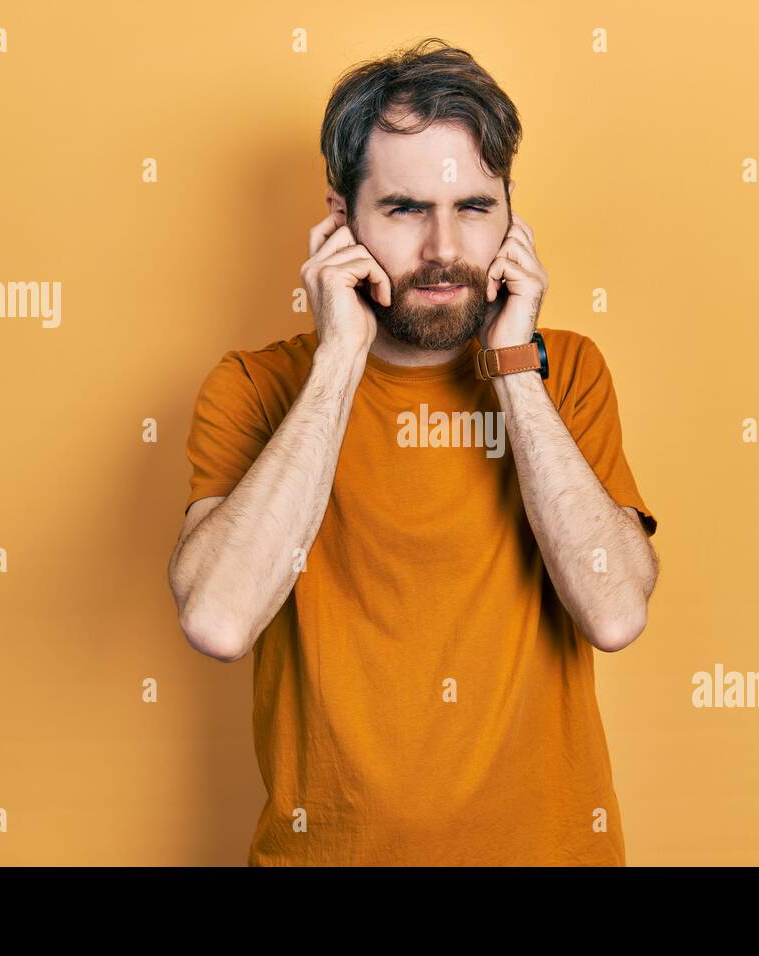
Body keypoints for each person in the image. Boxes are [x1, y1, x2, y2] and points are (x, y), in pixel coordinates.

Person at [167, 37, 659, 866]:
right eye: (404, 209)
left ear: (512, 216)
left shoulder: (565, 371)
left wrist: (513, 366)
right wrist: (338, 359)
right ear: (340, 221)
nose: (444, 249)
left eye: (474, 207)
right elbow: (217, 620)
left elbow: (614, 614)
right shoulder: (254, 387)